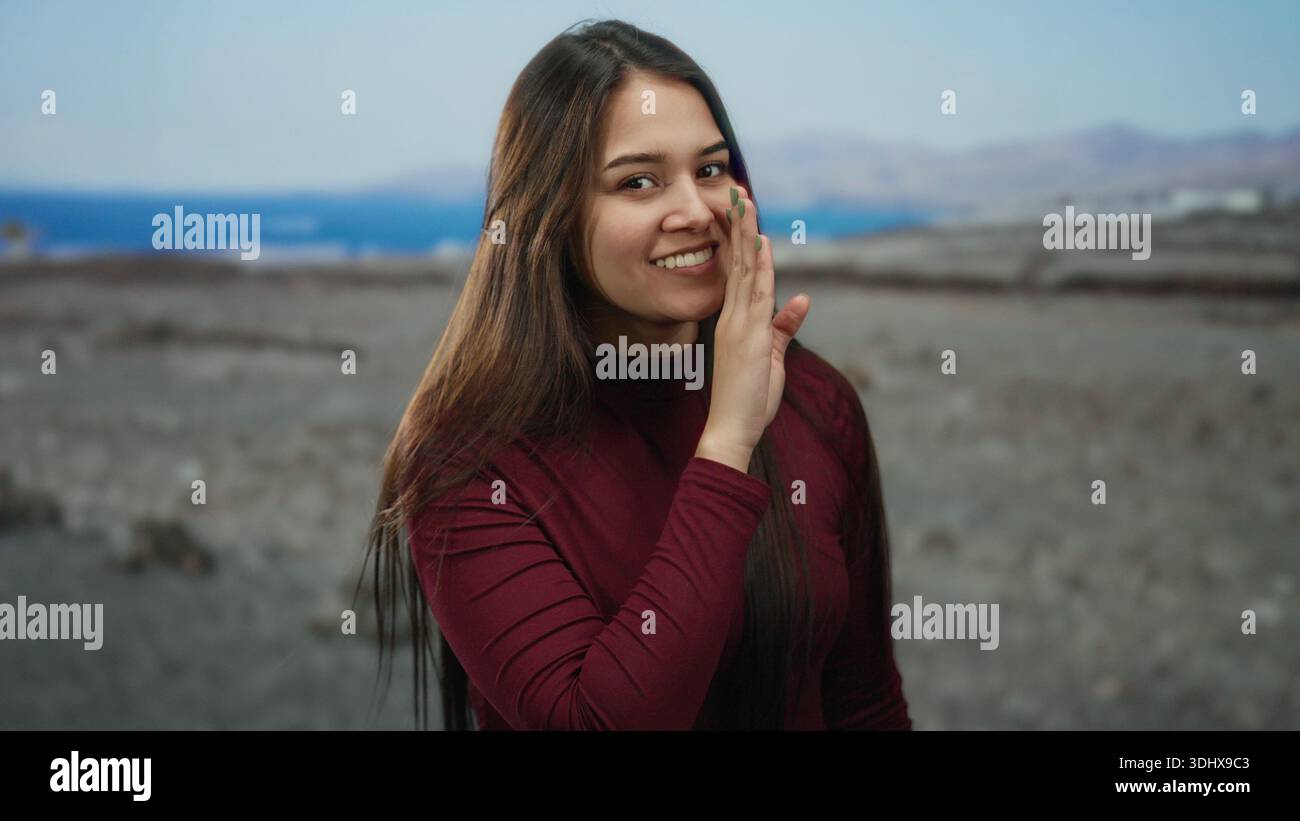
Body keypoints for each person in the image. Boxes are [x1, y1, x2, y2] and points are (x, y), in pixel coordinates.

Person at [361, 18, 911, 731]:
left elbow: (865, 703)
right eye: (639, 181)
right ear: (550, 214)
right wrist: (728, 442)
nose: (695, 210)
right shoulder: (467, 457)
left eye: (711, 170)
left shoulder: (816, 404)